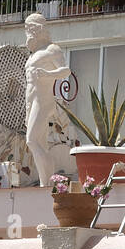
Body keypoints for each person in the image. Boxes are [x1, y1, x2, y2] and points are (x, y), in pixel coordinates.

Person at [23, 12, 73, 185]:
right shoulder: (32, 55)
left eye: (28, 28)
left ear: (37, 29)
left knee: (32, 140)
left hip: (43, 101)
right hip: (31, 101)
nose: (27, 33)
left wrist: (47, 74)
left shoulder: (52, 49)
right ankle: (46, 183)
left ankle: (50, 171)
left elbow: (66, 71)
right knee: (40, 144)